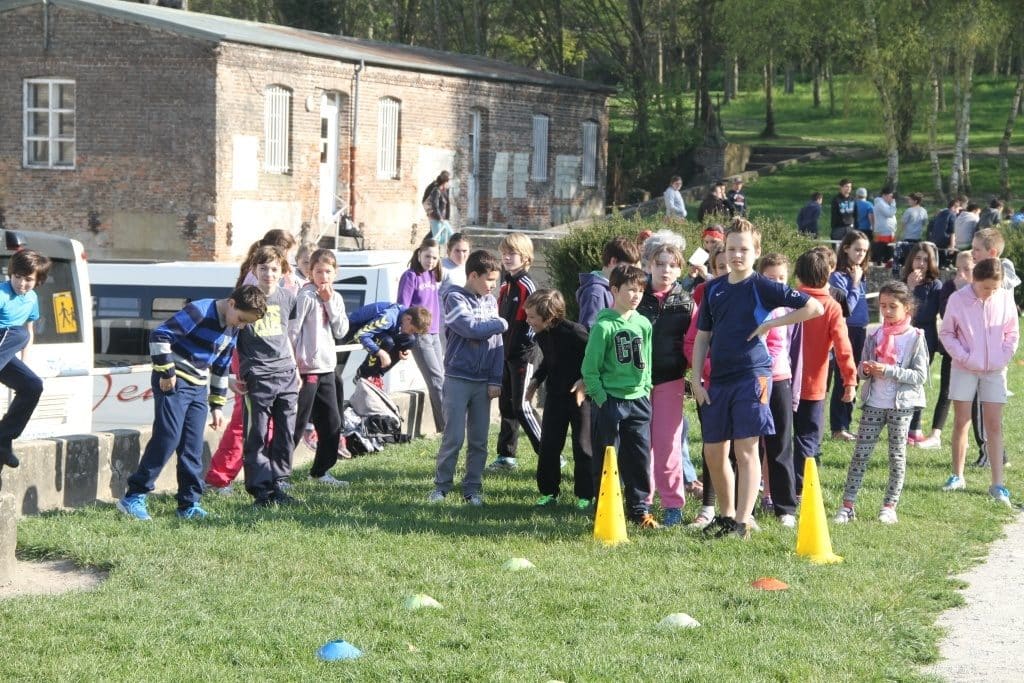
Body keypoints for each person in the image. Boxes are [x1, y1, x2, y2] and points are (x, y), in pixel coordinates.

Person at [690, 220, 823, 539]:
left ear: (756, 251)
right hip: (718, 380)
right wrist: (695, 379)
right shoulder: (714, 289)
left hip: (753, 376)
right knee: (713, 451)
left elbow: (814, 307)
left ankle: (742, 520)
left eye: (744, 249)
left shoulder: (762, 285)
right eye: (732, 249)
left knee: (745, 448)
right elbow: (703, 336)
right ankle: (726, 516)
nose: (737, 255)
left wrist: (770, 325)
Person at [117, 285, 267, 521]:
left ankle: (189, 504)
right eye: (241, 319)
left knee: (192, 447)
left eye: (245, 323)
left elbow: (221, 365)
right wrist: (166, 371)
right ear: (231, 303)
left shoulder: (233, 327)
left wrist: (217, 405)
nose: (240, 326)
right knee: (167, 438)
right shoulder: (200, 310)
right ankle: (134, 495)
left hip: (198, 386)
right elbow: (160, 336)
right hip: (173, 381)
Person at [834, 281, 929, 525]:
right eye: (883, 305)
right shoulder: (875, 334)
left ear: (907, 307)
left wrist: (888, 370)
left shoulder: (915, 337)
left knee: (896, 456)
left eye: (892, 306)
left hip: (901, 406)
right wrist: (866, 370)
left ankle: (889, 506)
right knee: (860, 455)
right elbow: (862, 369)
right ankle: (847, 506)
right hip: (874, 403)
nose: (886, 311)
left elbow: (920, 376)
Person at [582, 264, 659, 528]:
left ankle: (639, 509)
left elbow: (647, 358)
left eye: (640, 291)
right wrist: (601, 398)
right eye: (630, 290)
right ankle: (604, 508)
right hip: (610, 401)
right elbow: (589, 369)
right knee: (608, 456)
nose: (636, 296)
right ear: (614, 290)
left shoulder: (644, 323)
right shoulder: (603, 327)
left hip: (638, 400)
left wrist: (646, 387)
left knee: (639, 457)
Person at [427, 250, 507, 505]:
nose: (493, 285)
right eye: (489, 280)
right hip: (458, 378)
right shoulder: (454, 298)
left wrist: (495, 379)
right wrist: (500, 323)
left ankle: (472, 489)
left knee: (479, 441)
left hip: (484, 382)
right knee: (454, 438)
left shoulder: (491, 301)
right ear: (473, 275)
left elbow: (497, 344)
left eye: (495, 281)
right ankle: (441, 488)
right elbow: (470, 329)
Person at [939, 258, 1019, 505]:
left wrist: (1001, 357)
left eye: (995, 288)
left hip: (995, 370)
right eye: (986, 288)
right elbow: (947, 333)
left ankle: (997, 484)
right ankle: (957, 476)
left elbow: (1012, 333)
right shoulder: (957, 299)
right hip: (964, 369)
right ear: (975, 280)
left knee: (994, 425)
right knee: (961, 421)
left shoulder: (1005, 298)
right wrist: (965, 357)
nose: (990, 293)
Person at [636, 231, 695, 527]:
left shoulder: (687, 303)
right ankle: (641, 502)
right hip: (637, 381)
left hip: (670, 380)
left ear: (680, 270)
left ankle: (672, 504)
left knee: (668, 444)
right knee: (641, 442)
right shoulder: (636, 296)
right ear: (649, 265)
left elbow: (694, 342)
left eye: (672, 265)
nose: (665, 270)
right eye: (660, 264)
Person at [234, 247, 300, 508]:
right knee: (257, 434)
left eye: (274, 269)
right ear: (254, 270)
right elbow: (230, 336)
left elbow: (287, 336)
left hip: (286, 373)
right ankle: (261, 489)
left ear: (282, 271)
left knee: (286, 431)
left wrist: (295, 369)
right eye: (263, 268)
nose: (269, 274)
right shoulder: (243, 298)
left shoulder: (288, 298)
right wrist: (232, 374)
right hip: (258, 375)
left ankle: (280, 482)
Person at [791, 248, 857, 496]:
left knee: (777, 437)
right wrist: (850, 381)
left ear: (798, 275)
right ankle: (802, 488)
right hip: (813, 384)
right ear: (828, 275)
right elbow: (843, 347)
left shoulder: (788, 300)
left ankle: (773, 487)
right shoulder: (831, 306)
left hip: (783, 381)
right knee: (808, 437)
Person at [524, 290, 593, 509]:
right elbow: (550, 360)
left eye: (532, 317)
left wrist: (584, 380)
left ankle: (586, 494)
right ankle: (548, 491)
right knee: (549, 445)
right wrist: (536, 381)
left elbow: (594, 356)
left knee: (583, 445)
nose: (528, 321)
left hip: (580, 398)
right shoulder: (542, 334)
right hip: (555, 396)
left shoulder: (575, 332)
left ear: (549, 316)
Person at [290, 249, 349, 487]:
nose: (323, 276)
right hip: (307, 369)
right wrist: (293, 364)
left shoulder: (336, 297)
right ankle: (277, 473)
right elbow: (293, 331)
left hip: (327, 367)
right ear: (310, 272)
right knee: (298, 422)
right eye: (318, 271)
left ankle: (321, 471)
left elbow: (341, 330)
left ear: (335, 273)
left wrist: (329, 302)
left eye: (328, 272)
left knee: (332, 422)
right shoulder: (305, 296)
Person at [487, 233, 542, 471]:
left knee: (522, 405)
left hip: (524, 355)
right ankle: (506, 456)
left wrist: (524, 346)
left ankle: (550, 452)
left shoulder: (526, 285)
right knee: (507, 406)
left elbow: (535, 320)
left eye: (512, 253)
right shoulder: (505, 286)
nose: (507, 257)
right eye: (504, 253)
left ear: (526, 257)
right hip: (505, 355)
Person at [756, 253, 799, 527]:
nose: (776, 283)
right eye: (771, 278)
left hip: (781, 378)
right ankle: (747, 503)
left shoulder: (790, 309)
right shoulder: (754, 304)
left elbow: (788, 346)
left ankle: (785, 508)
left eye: (781, 278)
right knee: (753, 443)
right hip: (758, 380)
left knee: (781, 442)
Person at [0, 250, 51, 471]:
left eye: (28, 279)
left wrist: (25, 364)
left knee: (32, 384)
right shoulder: (2, 293)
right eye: (17, 277)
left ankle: (3, 439)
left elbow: (30, 330)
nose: (21, 283)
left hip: (5, 351)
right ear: (11, 274)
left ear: (38, 280)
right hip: (4, 341)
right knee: (18, 333)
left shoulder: (32, 299)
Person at [919, 251, 974, 450]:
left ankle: (980, 442)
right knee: (946, 391)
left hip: (976, 351)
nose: (961, 274)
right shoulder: (950, 287)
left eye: (966, 269)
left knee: (976, 398)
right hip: (952, 349)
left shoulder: (981, 288)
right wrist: (959, 292)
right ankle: (936, 434)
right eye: (957, 269)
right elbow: (946, 315)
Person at [398, 238, 445, 433]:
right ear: (419, 254)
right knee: (436, 381)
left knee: (441, 379)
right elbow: (402, 308)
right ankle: (448, 428)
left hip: (434, 334)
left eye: (434, 257)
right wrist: (403, 341)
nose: (430, 261)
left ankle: (443, 425)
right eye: (427, 256)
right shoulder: (410, 276)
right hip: (420, 335)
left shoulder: (433, 275)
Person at [829, 231, 870, 441]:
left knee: (855, 377)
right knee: (843, 377)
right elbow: (847, 308)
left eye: (864, 251)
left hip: (860, 330)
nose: (861, 254)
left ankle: (847, 422)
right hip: (845, 330)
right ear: (846, 248)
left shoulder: (860, 273)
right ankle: (838, 427)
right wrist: (854, 283)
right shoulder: (838, 276)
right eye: (857, 249)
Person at [900, 242, 942, 444]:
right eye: (918, 258)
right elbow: (897, 311)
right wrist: (909, 288)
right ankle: (899, 425)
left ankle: (914, 427)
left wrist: (914, 290)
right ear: (911, 260)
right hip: (902, 337)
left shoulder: (935, 285)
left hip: (926, 339)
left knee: (917, 382)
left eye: (926, 260)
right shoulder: (903, 283)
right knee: (900, 381)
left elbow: (925, 313)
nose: (921, 263)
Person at [347, 302, 430, 382]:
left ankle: (376, 376)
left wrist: (404, 349)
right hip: (354, 329)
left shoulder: (404, 315)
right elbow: (360, 335)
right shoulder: (388, 318)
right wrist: (380, 352)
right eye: (412, 330)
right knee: (387, 341)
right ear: (408, 318)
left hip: (377, 331)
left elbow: (401, 337)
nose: (411, 333)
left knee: (410, 340)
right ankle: (363, 374)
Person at [575, 236, 641, 331]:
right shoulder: (596, 292)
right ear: (613, 261)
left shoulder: (614, 286)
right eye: (627, 269)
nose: (629, 274)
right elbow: (589, 330)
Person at [928, 198, 962, 268]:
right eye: (958, 209)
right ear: (954, 207)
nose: (958, 212)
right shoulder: (952, 215)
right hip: (944, 242)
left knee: (938, 261)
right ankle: (948, 265)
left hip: (934, 241)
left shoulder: (940, 214)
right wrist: (952, 246)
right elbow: (952, 232)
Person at [423, 170, 453, 244]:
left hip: (443, 219)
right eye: (449, 181)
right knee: (437, 239)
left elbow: (447, 205)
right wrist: (440, 218)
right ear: (445, 182)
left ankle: (428, 245)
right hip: (436, 218)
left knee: (451, 235)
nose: (449, 183)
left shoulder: (445, 191)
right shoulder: (436, 191)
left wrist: (446, 218)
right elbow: (435, 206)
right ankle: (426, 247)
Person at [439, 232, 471, 299]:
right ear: (449, 251)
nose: (461, 255)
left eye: (464, 251)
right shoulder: (441, 268)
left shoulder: (471, 268)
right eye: (457, 251)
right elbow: (431, 294)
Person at [872, 188, 897, 264]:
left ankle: (886, 262)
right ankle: (879, 263)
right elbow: (890, 214)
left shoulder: (885, 204)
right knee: (881, 249)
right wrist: (893, 204)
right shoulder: (880, 203)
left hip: (888, 232)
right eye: (890, 196)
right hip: (882, 232)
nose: (892, 198)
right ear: (884, 195)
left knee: (889, 250)